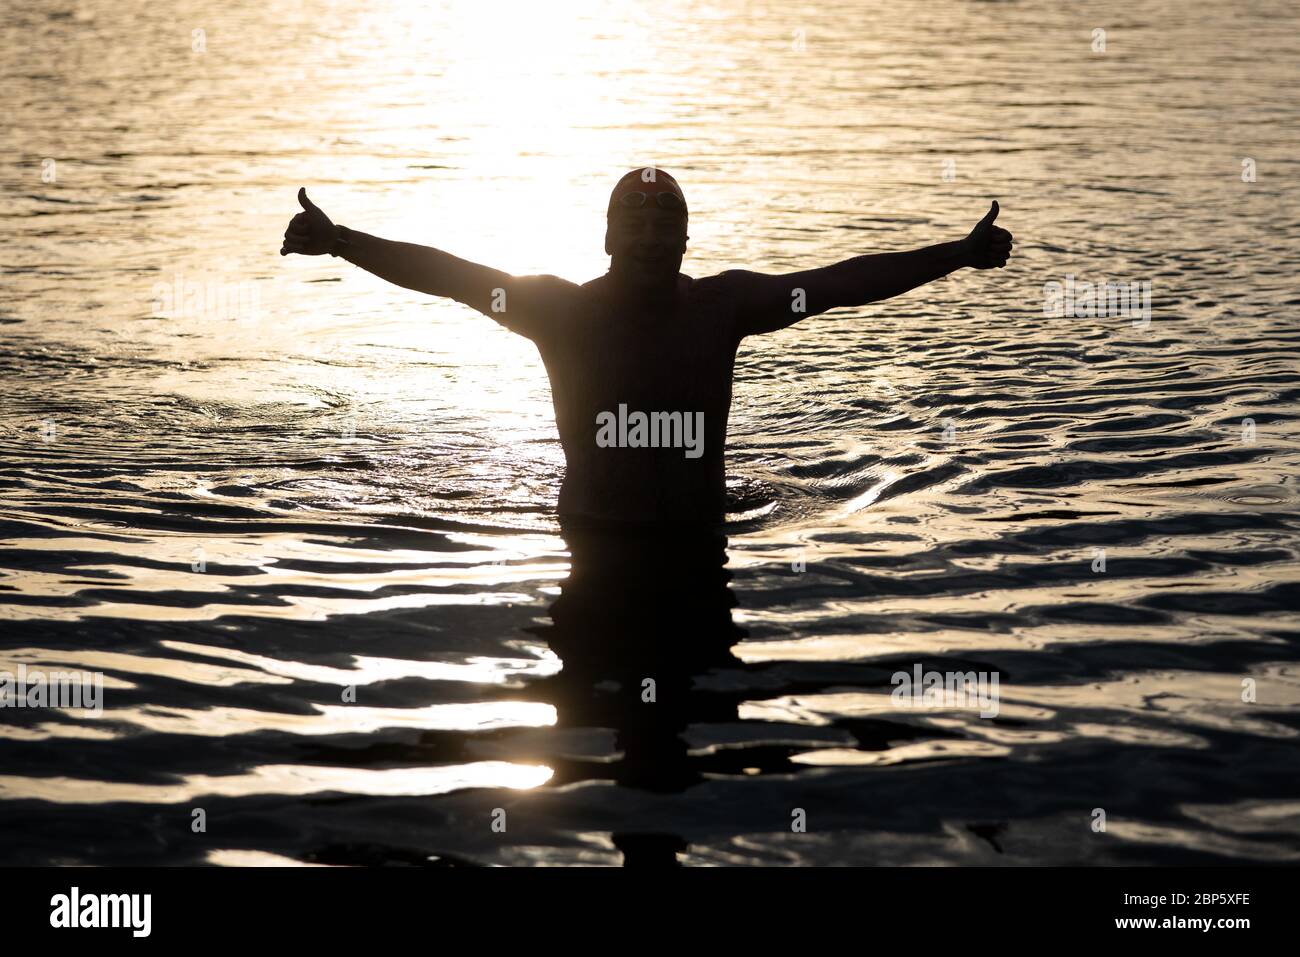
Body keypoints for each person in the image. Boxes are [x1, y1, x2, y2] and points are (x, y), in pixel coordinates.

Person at [280, 168, 1013, 525]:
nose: (652, 234)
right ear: (606, 237)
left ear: (686, 240)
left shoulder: (723, 307)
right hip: (592, 534)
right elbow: (453, 277)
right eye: (635, 221)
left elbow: (838, 282)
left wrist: (955, 253)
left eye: (668, 223)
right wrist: (342, 240)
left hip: (701, 535)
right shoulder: (558, 311)